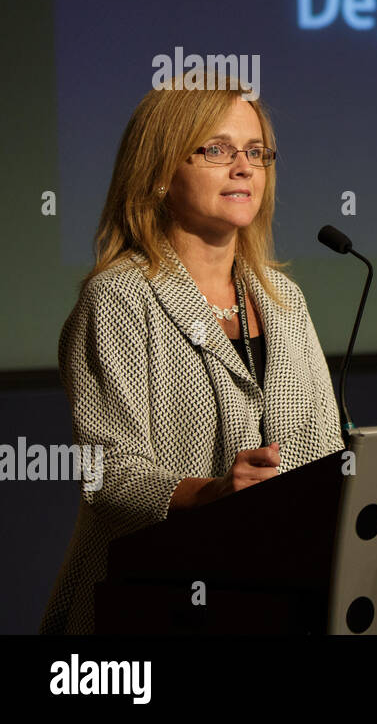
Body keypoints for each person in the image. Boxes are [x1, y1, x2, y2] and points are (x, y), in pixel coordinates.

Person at [40, 73, 346, 634]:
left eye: (256, 152)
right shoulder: (120, 298)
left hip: (274, 601)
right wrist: (213, 493)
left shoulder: (284, 303)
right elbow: (108, 477)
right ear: (159, 172)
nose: (244, 168)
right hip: (148, 610)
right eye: (217, 149)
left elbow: (325, 453)